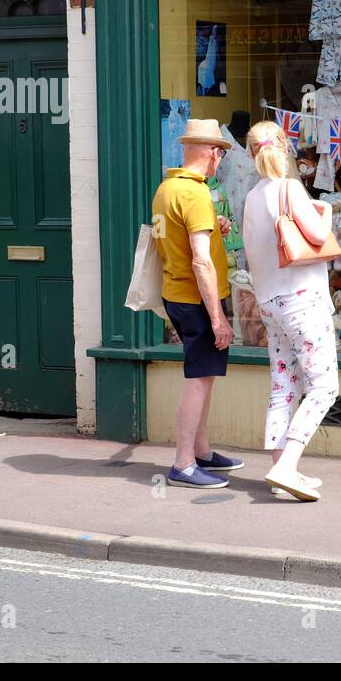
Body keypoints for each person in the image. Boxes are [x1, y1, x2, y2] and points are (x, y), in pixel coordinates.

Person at [242, 119, 340, 501]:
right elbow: (317, 236)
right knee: (324, 386)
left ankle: (281, 466)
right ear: (283, 148)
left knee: (284, 384)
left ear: (252, 154)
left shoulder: (252, 197)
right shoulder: (290, 188)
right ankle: (288, 465)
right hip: (303, 300)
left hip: (270, 302)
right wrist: (325, 210)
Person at [151, 118, 244, 488]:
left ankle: (201, 451)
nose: (219, 159)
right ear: (212, 154)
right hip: (197, 299)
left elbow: (174, 237)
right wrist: (218, 317)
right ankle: (184, 463)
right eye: (219, 152)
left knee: (203, 376)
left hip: (177, 293)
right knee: (198, 379)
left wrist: (212, 225)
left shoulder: (168, 188)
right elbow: (201, 261)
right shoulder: (194, 194)